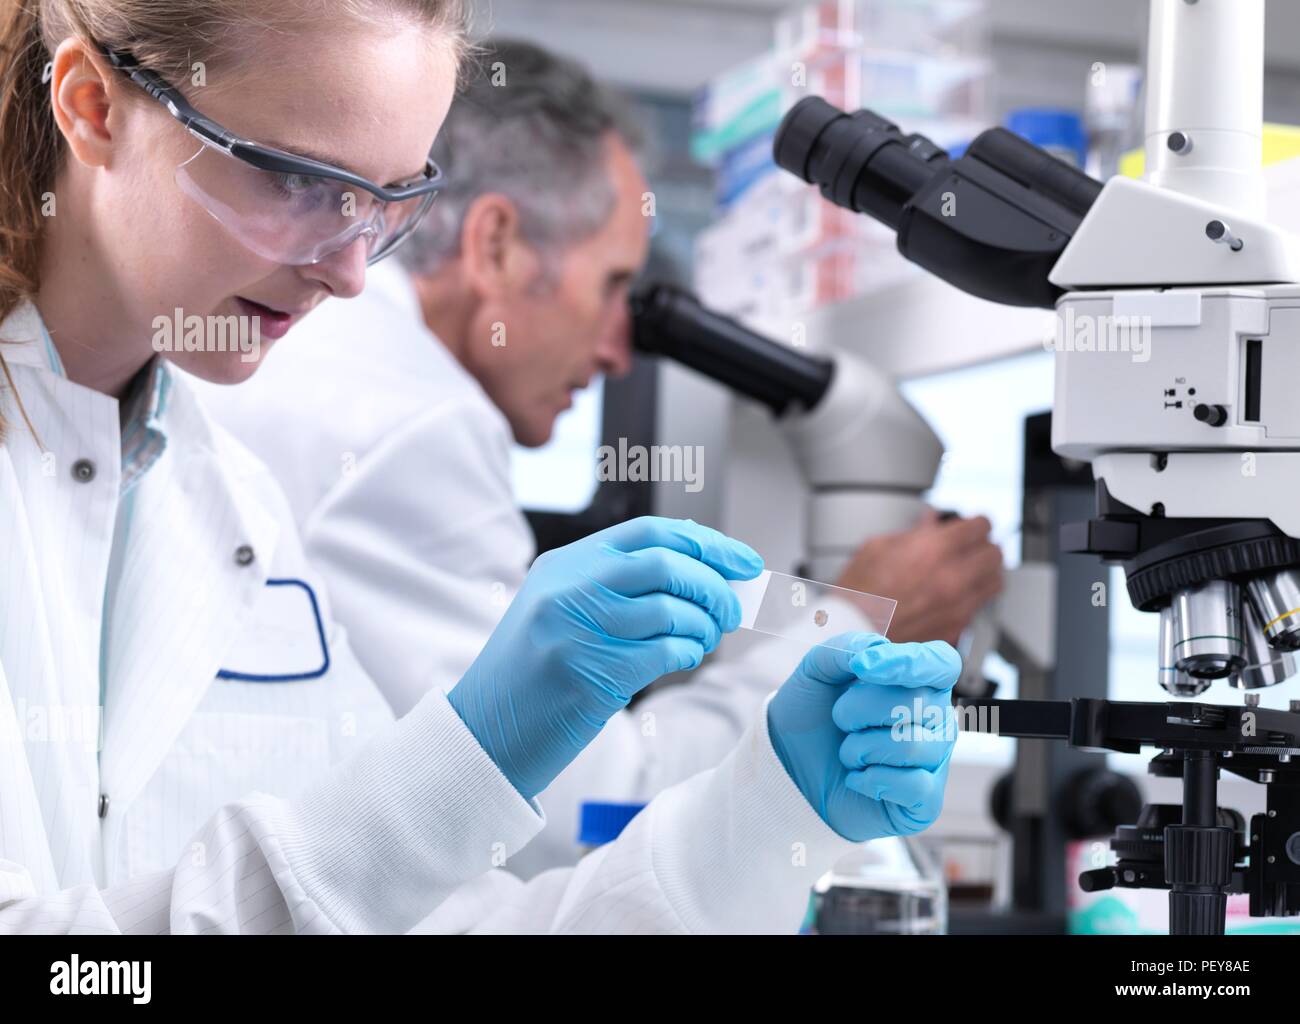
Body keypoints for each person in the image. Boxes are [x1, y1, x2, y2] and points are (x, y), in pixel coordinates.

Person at [0, 0, 960, 934]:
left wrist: (769, 816)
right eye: (297, 183)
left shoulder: (220, 492)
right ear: (91, 105)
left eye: (390, 203)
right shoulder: (348, 436)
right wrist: (473, 751)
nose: (351, 274)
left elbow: (414, 918)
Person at [194, 39, 1004, 875]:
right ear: (497, 244)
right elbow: (584, 815)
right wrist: (847, 628)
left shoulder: (330, 354)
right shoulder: (415, 423)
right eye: (615, 285)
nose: (622, 349)